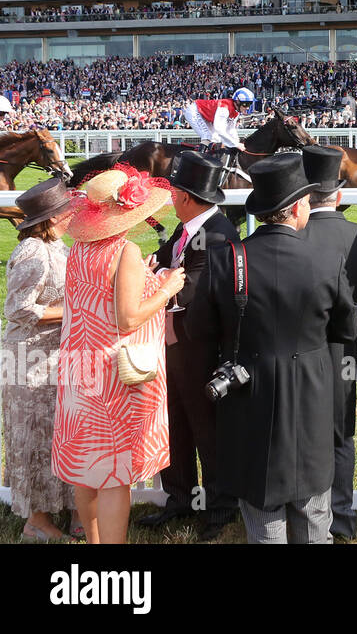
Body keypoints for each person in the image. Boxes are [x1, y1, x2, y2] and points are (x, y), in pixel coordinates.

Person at [207, 152, 354, 544]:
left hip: (248, 391)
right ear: (294, 209)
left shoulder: (227, 260)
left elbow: (205, 330)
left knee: (261, 503)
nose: (309, 205)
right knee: (313, 503)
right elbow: (346, 327)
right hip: (310, 391)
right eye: (306, 199)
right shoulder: (326, 259)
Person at [53, 166, 185, 545]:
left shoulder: (79, 249)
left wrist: (142, 278)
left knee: (85, 465)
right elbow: (127, 318)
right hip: (114, 374)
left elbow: (97, 297)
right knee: (114, 474)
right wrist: (165, 287)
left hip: (80, 366)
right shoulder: (124, 250)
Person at [135, 152, 240, 540]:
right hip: (175, 347)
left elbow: (188, 290)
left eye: (175, 191)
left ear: (186, 196)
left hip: (201, 349)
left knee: (206, 430)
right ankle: (179, 497)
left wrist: (160, 278)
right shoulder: (188, 229)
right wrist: (163, 275)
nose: (170, 197)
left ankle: (218, 507)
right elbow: (160, 269)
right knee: (174, 425)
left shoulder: (216, 233)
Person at [301, 145, 357, 541]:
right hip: (342, 343)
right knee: (340, 432)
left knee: (300, 430)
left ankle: (308, 512)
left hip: (301, 343)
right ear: (340, 194)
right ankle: (341, 517)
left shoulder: (295, 232)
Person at [2, 178, 78, 542]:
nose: (71, 216)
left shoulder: (57, 246)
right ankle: (36, 522)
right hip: (28, 361)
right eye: (65, 212)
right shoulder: (34, 251)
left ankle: (58, 509)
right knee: (32, 438)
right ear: (49, 219)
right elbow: (17, 309)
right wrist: (72, 311)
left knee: (52, 435)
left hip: (51, 357)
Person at [183, 88, 254, 162]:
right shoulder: (224, 108)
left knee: (216, 139)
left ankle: (209, 158)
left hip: (205, 115)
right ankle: (198, 161)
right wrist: (235, 144)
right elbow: (219, 128)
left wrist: (237, 142)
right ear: (238, 101)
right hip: (194, 111)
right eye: (246, 104)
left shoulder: (236, 112)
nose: (248, 107)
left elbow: (231, 129)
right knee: (207, 136)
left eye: (250, 104)